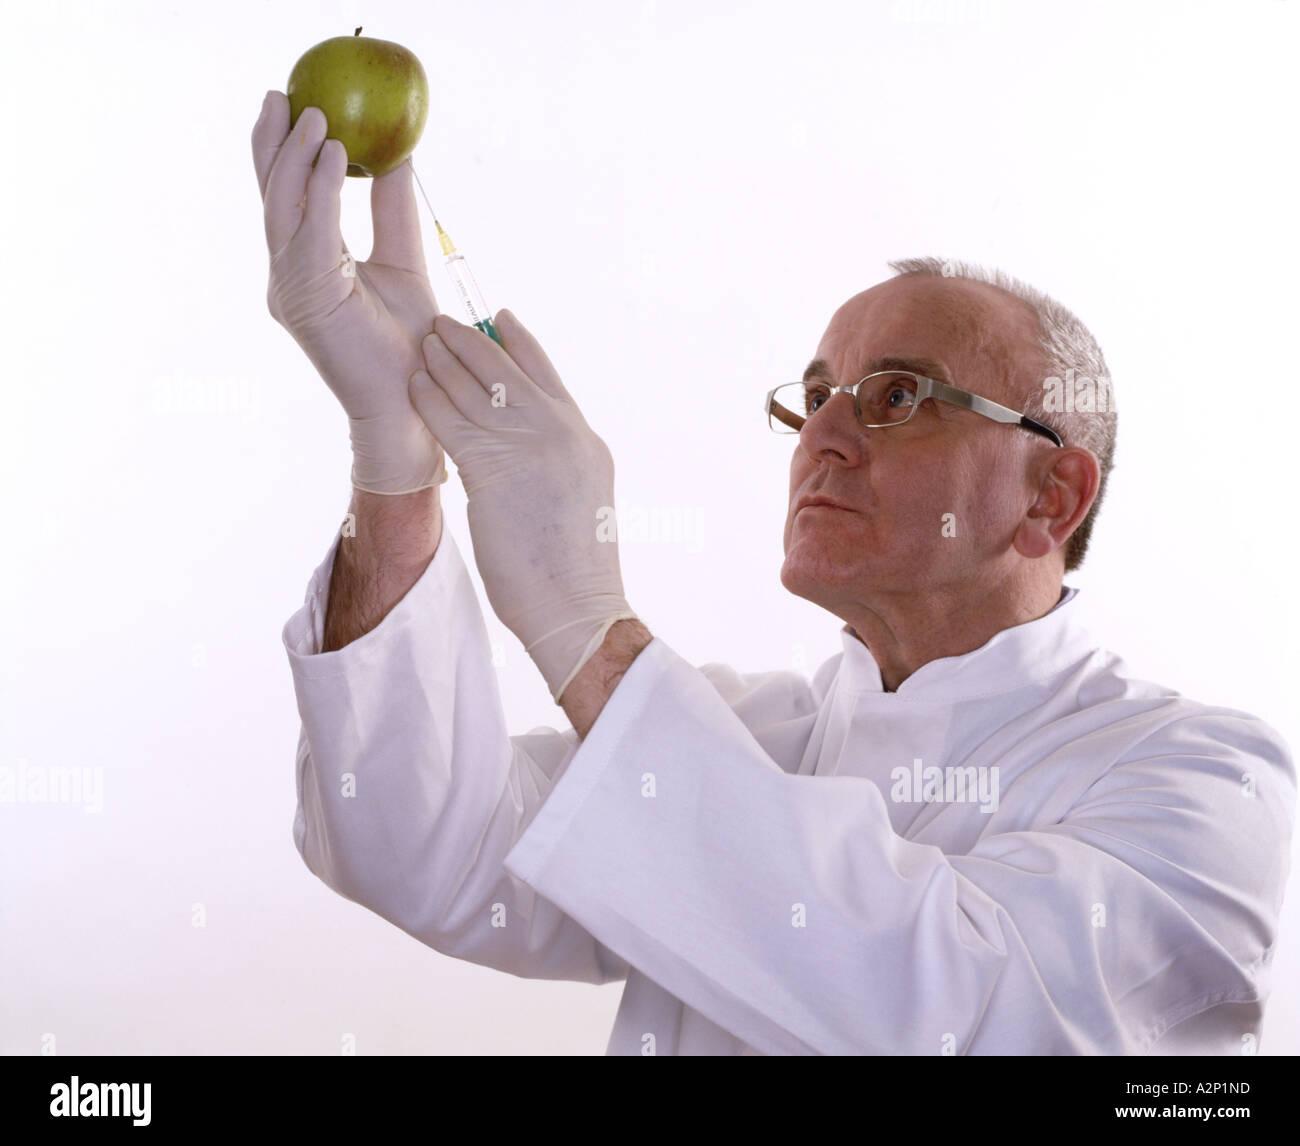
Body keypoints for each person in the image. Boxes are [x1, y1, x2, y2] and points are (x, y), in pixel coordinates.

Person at [253, 91, 1295, 1055]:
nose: (823, 435)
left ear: (1048, 499)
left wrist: (586, 625)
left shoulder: (1203, 779)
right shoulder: (751, 739)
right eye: (814, 396)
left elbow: (958, 1012)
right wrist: (392, 462)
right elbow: (416, 849)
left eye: (895, 396)